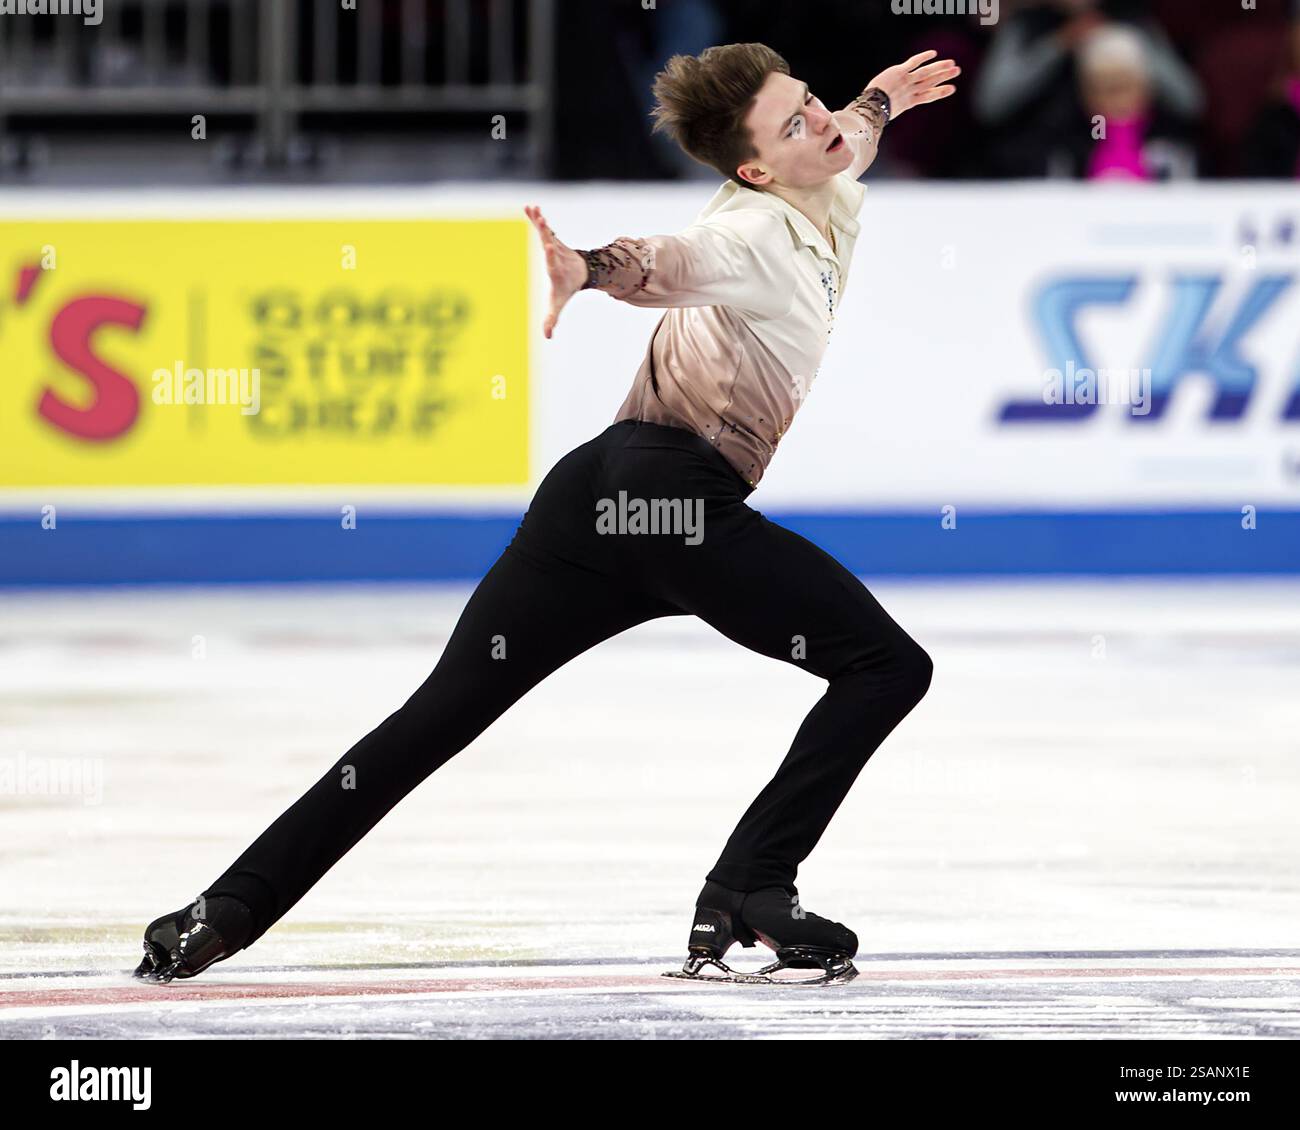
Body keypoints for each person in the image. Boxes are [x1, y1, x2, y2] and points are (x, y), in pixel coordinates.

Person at [133, 42, 955, 988]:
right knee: (888, 666)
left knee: (437, 717)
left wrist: (876, 99)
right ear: (753, 171)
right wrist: (591, 267)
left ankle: (223, 912)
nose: (819, 122)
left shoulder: (826, 172)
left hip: (592, 500)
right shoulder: (755, 235)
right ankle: (749, 888)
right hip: (671, 504)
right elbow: (667, 261)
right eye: (793, 122)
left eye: (809, 102)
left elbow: (850, 136)